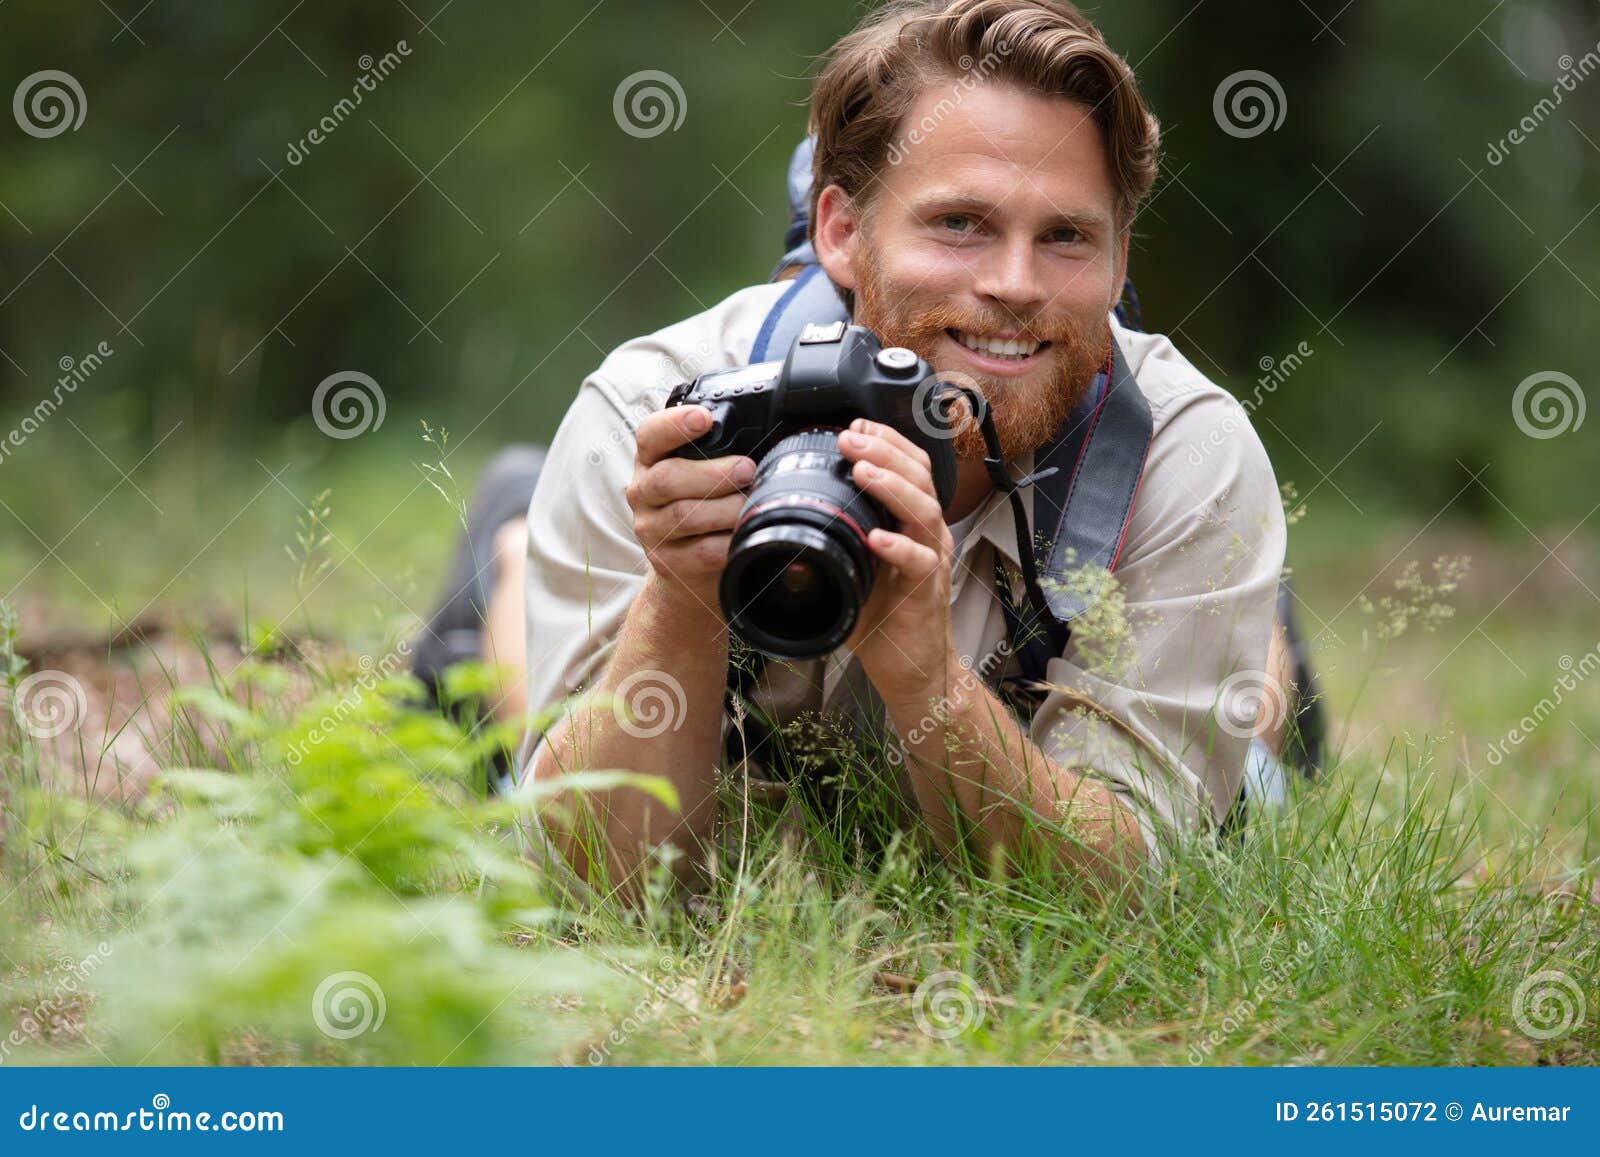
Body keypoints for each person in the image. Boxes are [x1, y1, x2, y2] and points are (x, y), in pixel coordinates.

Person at [411, 0, 1321, 896]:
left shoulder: (1186, 458)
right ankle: (515, 532)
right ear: (839, 232)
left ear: (1122, 263)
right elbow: (595, 889)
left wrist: (924, 674)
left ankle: (1259, 624)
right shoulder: (654, 412)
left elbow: (1120, 891)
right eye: (959, 223)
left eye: (1067, 237)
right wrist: (681, 601)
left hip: (1121, 557)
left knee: (1257, 734)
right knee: (521, 691)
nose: (1014, 283)